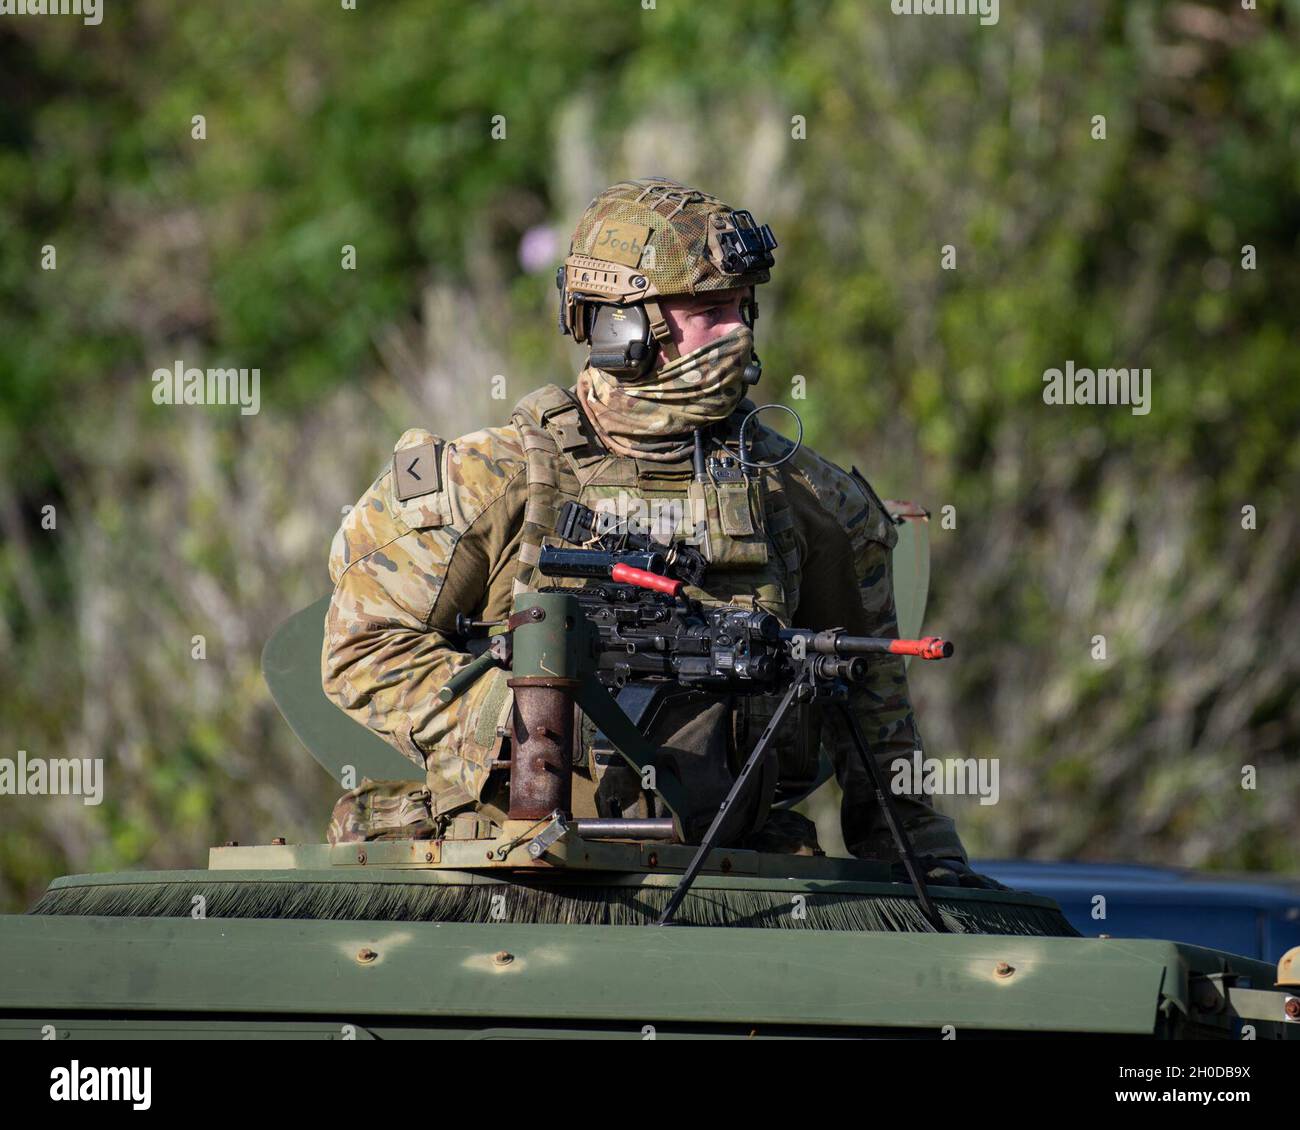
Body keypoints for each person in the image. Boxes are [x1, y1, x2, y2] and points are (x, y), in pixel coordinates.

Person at [323, 176, 996, 886]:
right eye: (709, 311)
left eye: (741, 308)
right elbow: (359, 651)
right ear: (621, 327)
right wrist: (532, 721)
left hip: (724, 880)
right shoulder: (487, 482)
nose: (736, 332)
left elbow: (874, 702)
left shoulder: (804, 496)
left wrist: (923, 861)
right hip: (508, 873)